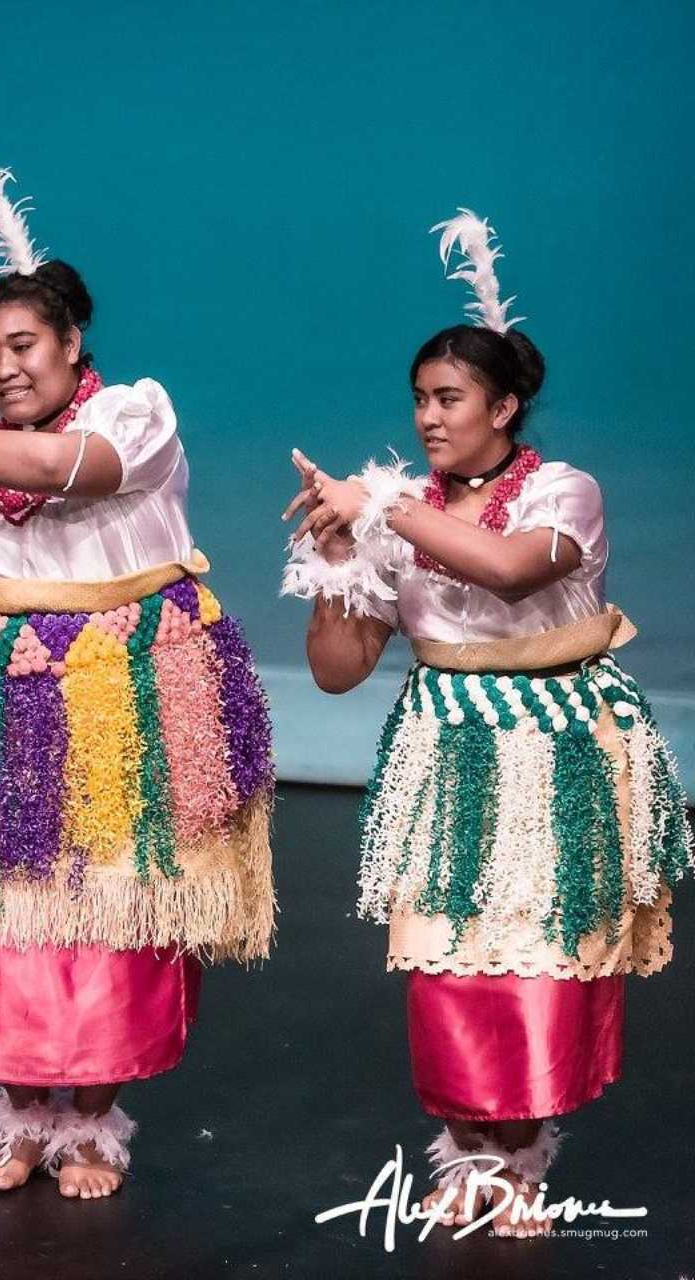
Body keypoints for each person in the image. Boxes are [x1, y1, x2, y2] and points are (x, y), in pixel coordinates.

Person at [0, 160, 275, 1198]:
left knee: (118, 900)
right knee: (20, 906)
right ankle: (23, 1112)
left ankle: (93, 1123)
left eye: (22, 346)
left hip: (135, 689)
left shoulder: (134, 413)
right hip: (22, 694)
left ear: (74, 344)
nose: (1, 367)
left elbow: (75, 470)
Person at [282, 209, 690, 1238]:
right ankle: (468, 1152)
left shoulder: (563, 492)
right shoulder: (397, 509)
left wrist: (379, 507)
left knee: (542, 950)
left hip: (555, 740)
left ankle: (526, 1158)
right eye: (419, 398)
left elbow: (509, 568)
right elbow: (336, 672)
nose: (427, 416)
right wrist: (337, 563)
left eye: (449, 397)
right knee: (453, 957)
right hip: (447, 743)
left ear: (506, 405)